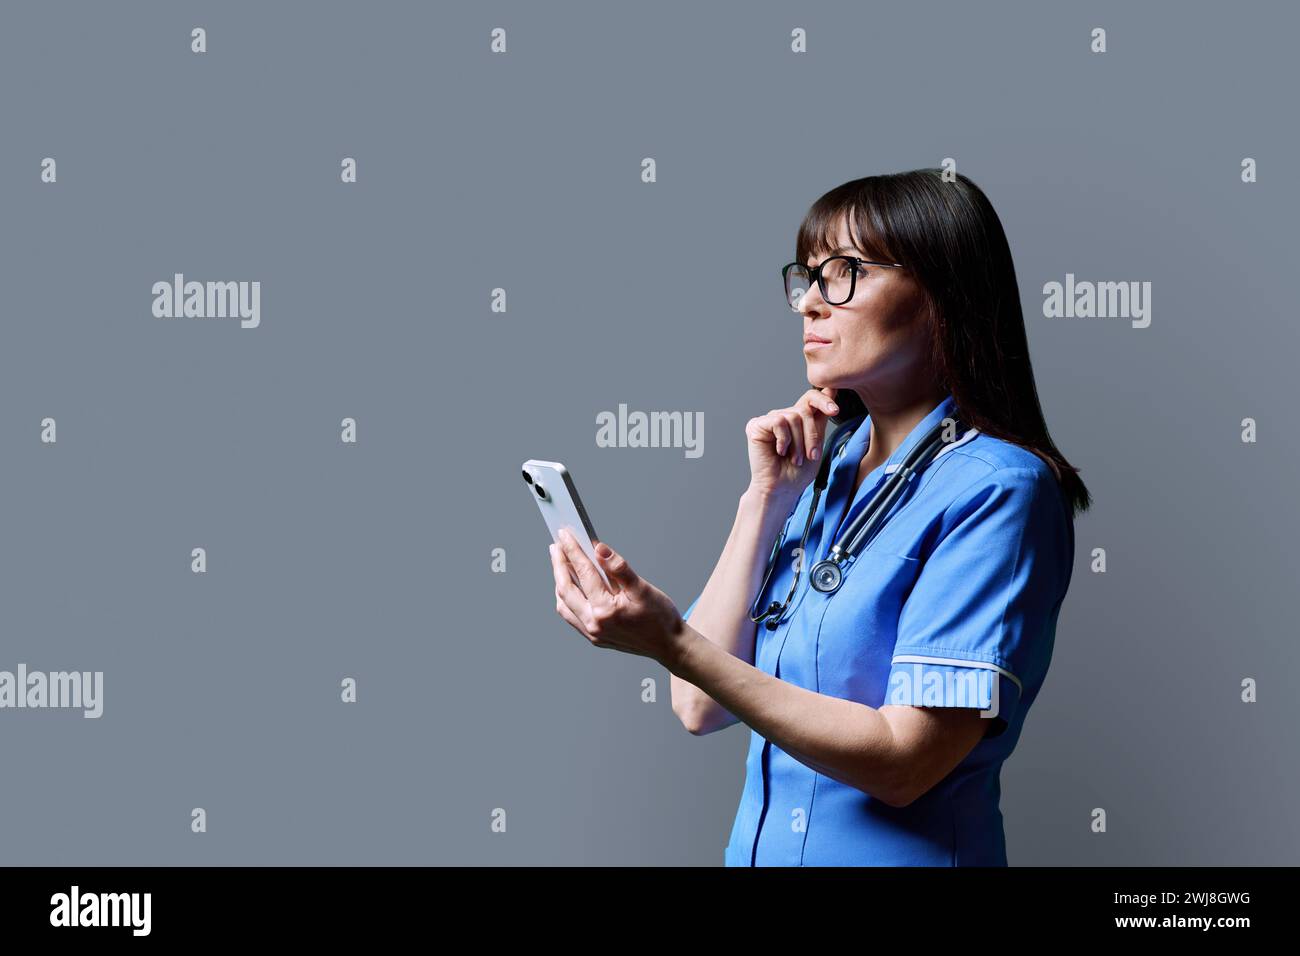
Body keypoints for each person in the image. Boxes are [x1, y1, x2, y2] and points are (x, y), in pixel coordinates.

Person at [548, 169, 1090, 865]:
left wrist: (671, 640)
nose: (810, 303)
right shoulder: (826, 473)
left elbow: (904, 763)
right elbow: (698, 705)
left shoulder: (1000, 491)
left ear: (941, 294)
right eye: (807, 277)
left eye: (845, 273)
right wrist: (765, 502)